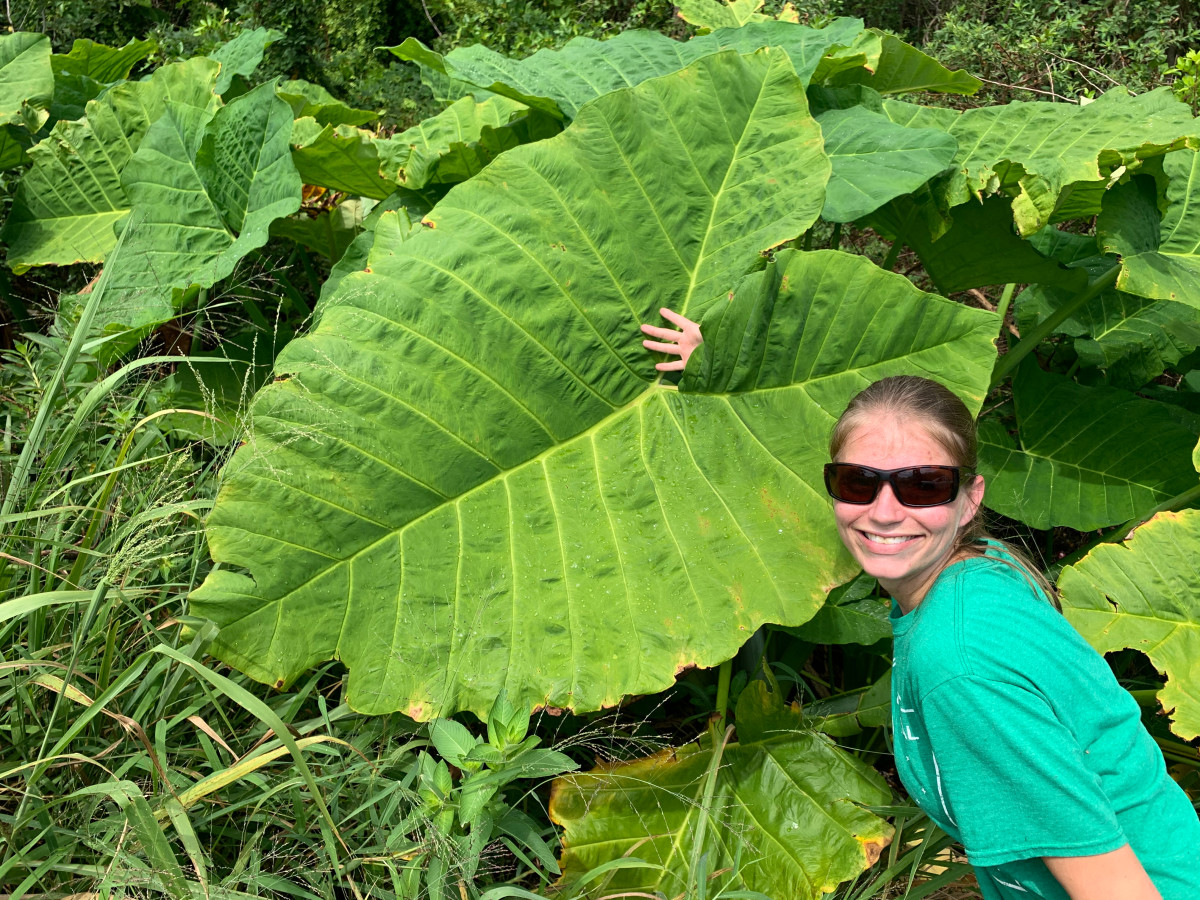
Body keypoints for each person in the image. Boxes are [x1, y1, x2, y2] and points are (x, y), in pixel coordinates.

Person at [641, 309, 1200, 900]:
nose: (883, 510)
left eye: (923, 485)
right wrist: (713, 371)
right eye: (857, 482)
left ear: (968, 496)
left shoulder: (959, 664)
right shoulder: (984, 568)